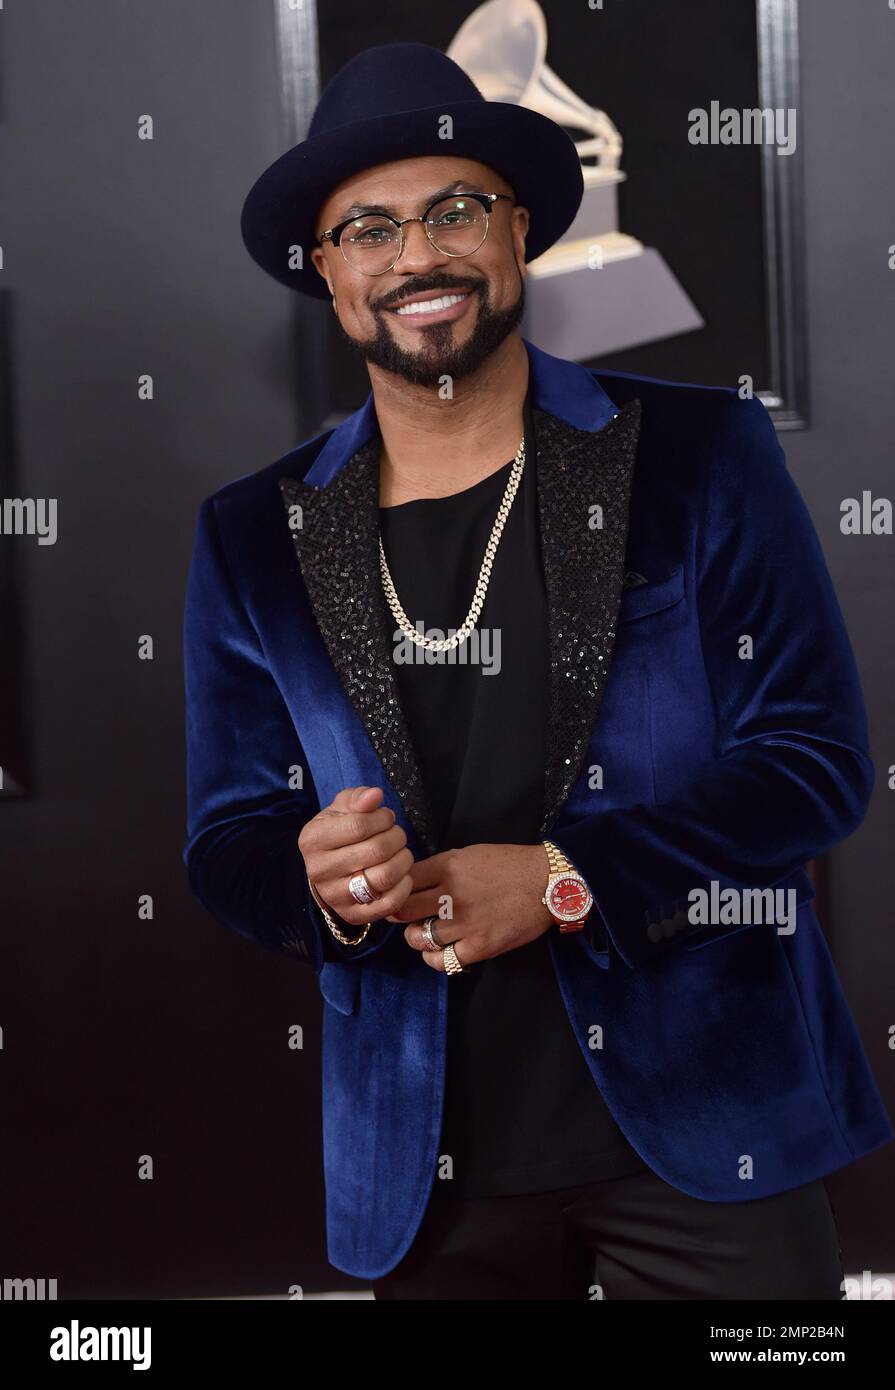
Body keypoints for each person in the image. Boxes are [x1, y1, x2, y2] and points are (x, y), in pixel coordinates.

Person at [183, 42, 893, 1299]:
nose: (416, 256)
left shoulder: (694, 450)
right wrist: (328, 893)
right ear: (330, 273)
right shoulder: (254, 530)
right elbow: (230, 833)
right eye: (367, 228)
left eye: (454, 210)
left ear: (518, 234)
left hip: (714, 1139)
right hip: (422, 1168)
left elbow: (815, 764)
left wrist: (567, 881)